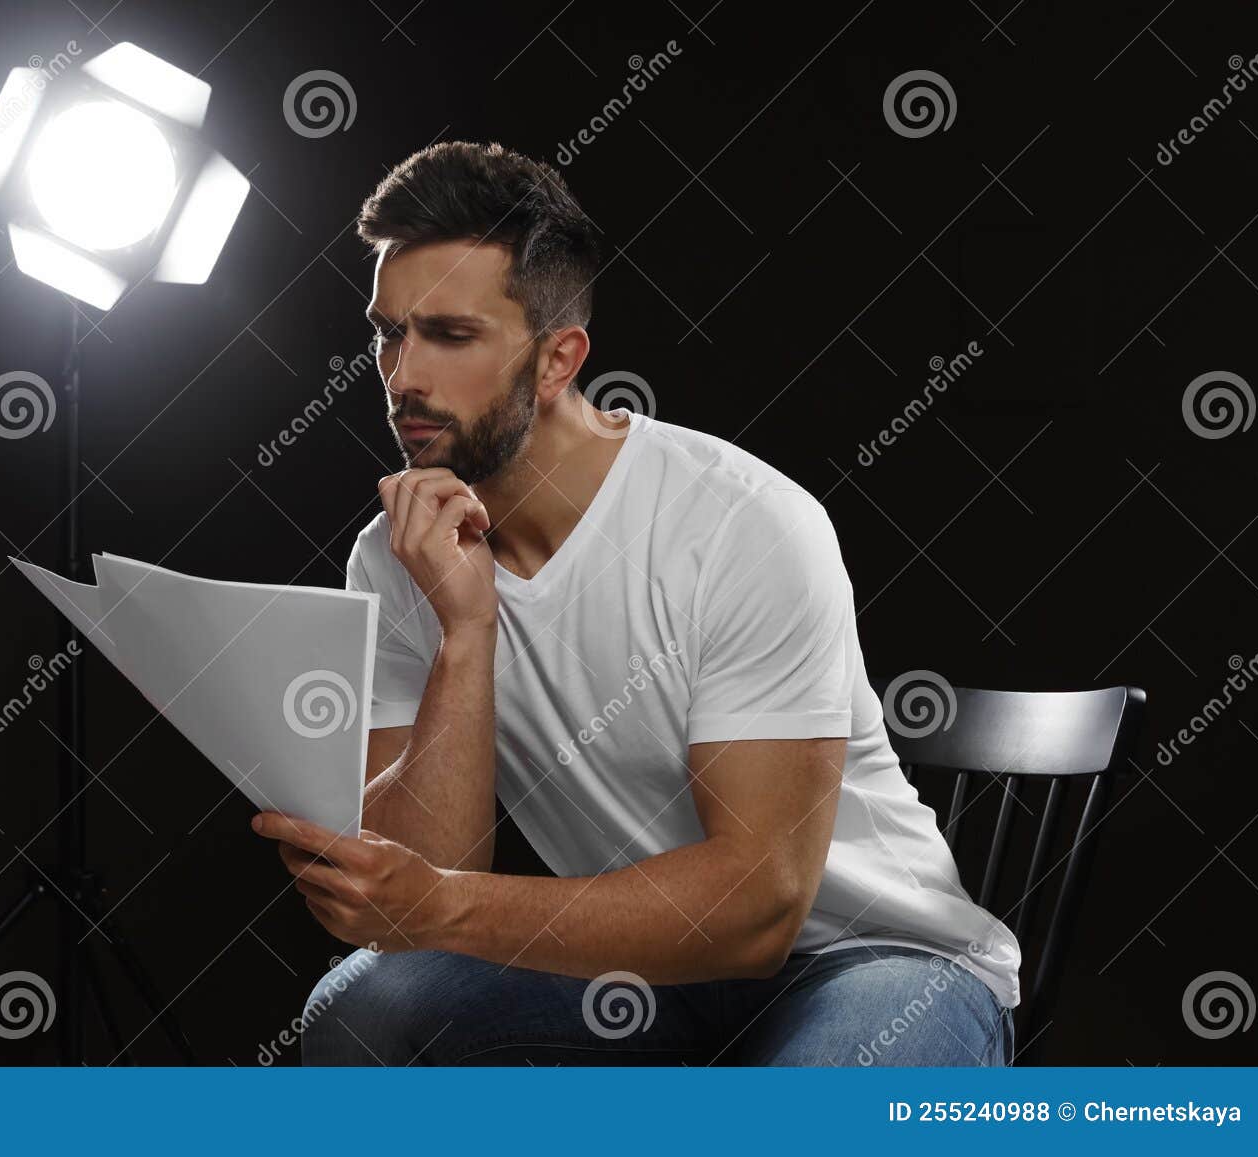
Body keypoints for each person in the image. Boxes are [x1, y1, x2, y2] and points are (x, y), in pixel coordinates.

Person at [250, 140, 1020, 1066]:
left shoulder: (743, 523)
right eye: (387, 332)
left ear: (557, 358)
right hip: (644, 973)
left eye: (449, 336)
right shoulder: (399, 555)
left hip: (874, 959)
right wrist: (466, 629)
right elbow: (416, 906)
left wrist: (442, 900)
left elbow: (759, 908)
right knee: (366, 1016)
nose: (401, 375)